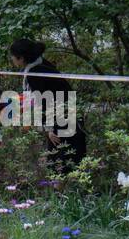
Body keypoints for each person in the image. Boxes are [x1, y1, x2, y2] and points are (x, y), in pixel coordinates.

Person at [9, 38, 87, 168]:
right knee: (67, 155)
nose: (12, 59)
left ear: (21, 58)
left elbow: (43, 101)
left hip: (61, 114)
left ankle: (62, 186)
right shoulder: (40, 64)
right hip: (66, 109)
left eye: (13, 56)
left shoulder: (34, 73)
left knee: (61, 157)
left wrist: (49, 128)